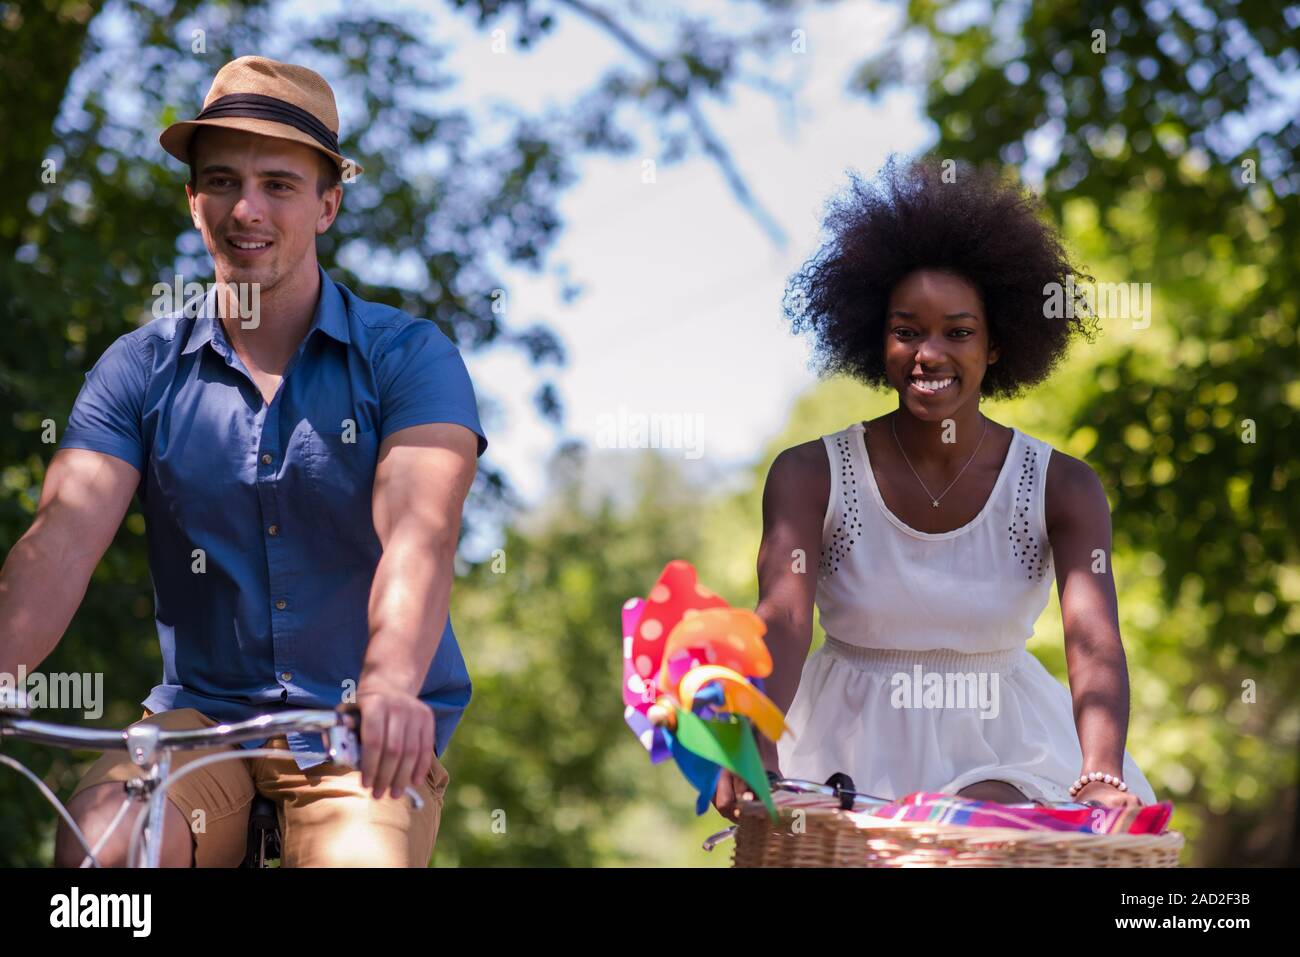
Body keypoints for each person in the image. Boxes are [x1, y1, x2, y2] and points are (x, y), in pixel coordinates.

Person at [0, 56, 487, 866]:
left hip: (358, 733)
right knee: (106, 842)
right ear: (194, 201)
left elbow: (420, 533)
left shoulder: (408, 358)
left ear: (328, 203)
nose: (246, 208)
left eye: (280, 184)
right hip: (199, 724)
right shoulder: (140, 368)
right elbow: (57, 542)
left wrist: (392, 680)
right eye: (221, 181)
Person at [713, 155, 1159, 818]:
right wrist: (753, 744)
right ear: (876, 336)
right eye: (906, 331)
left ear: (997, 344)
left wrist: (1099, 768)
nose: (930, 354)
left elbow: (1092, 639)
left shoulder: (1063, 486)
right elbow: (782, 620)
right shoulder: (808, 474)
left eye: (959, 332)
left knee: (978, 822)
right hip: (843, 752)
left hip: (1008, 753)